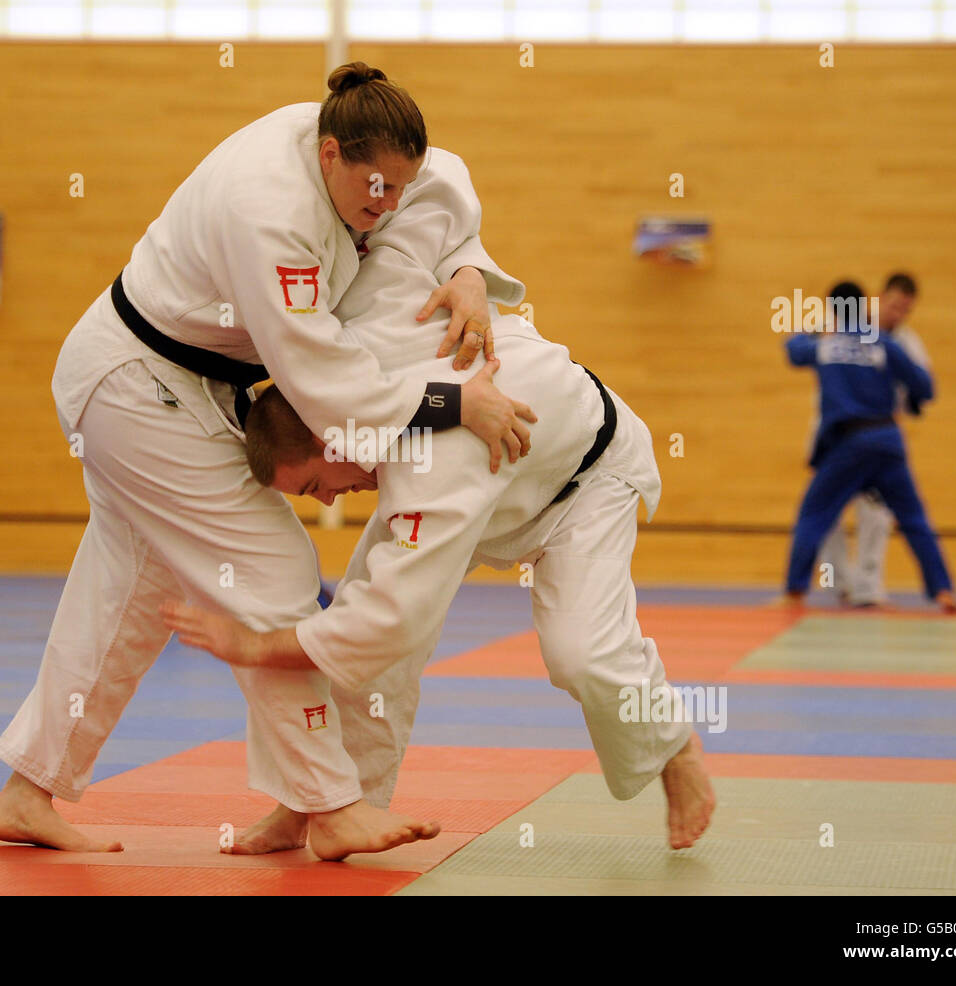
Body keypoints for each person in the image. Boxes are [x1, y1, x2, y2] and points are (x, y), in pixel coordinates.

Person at [0, 62, 536, 860]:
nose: (384, 207)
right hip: (139, 383)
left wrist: (468, 272)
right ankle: (330, 804)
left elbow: (443, 190)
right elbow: (328, 388)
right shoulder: (269, 213)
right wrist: (457, 404)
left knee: (124, 600)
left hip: (178, 383)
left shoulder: (377, 158)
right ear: (329, 154)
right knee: (274, 571)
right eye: (371, 189)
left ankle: (28, 789)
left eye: (395, 189)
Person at [161, 166, 717, 850]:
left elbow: (386, 626)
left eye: (314, 486)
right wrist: (469, 271)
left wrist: (254, 646)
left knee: (581, 655)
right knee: (372, 642)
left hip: (584, 481)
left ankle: (673, 747)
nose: (330, 499)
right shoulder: (349, 331)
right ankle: (322, 805)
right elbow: (427, 198)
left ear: (336, 433)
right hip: (492, 476)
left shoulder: (435, 463)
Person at [779, 281, 956, 613]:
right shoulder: (883, 342)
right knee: (914, 519)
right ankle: (943, 590)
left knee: (814, 515)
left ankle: (794, 591)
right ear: (864, 307)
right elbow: (924, 386)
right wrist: (914, 400)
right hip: (888, 440)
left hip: (846, 444)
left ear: (833, 310)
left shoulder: (825, 344)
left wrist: (821, 329)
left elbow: (792, 349)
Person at [817, 273, 929, 606]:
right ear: (880, 298)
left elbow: (922, 388)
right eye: (894, 305)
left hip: (879, 433)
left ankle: (868, 588)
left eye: (905, 309)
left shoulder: (907, 342)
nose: (898, 314)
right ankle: (839, 584)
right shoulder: (844, 326)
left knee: (877, 515)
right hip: (836, 433)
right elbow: (807, 346)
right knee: (829, 513)